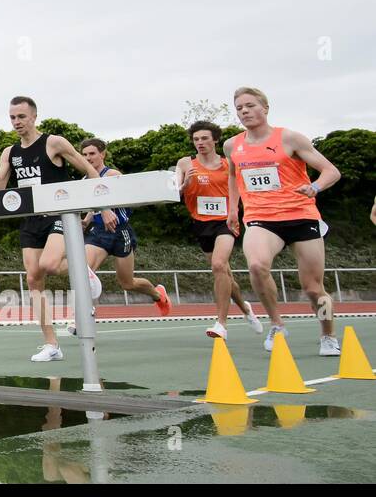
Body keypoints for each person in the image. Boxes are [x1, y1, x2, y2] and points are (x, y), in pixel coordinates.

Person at [0, 96, 102, 363]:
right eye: (12, 117)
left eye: (21, 117)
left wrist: (105, 205)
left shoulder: (54, 142)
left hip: (60, 214)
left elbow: (89, 170)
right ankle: (51, 344)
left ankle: (83, 271)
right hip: (31, 219)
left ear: (34, 117)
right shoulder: (9, 153)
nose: (16, 122)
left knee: (48, 264)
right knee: (33, 278)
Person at [225, 87, 342, 356]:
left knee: (313, 289)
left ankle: (328, 335)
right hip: (260, 218)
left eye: (250, 105)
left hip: (301, 215)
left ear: (265, 108)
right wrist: (233, 210)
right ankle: (277, 325)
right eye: (239, 107)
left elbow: (331, 171)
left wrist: (315, 187)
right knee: (256, 265)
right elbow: (233, 176)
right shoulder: (232, 145)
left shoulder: (289, 138)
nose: (244, 111)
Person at [175, 121, 262, 339]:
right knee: (224, 274)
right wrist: (184, 187)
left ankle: (221, 324)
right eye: (196, 139)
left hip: (226, 221)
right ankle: (245, 308)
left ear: (215, 140)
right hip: (201, 224)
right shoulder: (185, 163)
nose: (200, 143)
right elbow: (174, 191)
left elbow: (242, 189)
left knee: (218, 265)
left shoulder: (228, 164)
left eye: (204, 138)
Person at [69, 139, 170, 315]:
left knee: (127, 283)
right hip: (98, 233)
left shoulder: (112, 175)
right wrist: (86, 220)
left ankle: (157, 294)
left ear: (102, 154)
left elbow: (126, 198)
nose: (88, 158)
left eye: (92, 154)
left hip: (120, 231)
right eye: (84, 155)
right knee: (84, 271)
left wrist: (108, 209)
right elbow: (95, 204)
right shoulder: (84, 179)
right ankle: (85, 314)